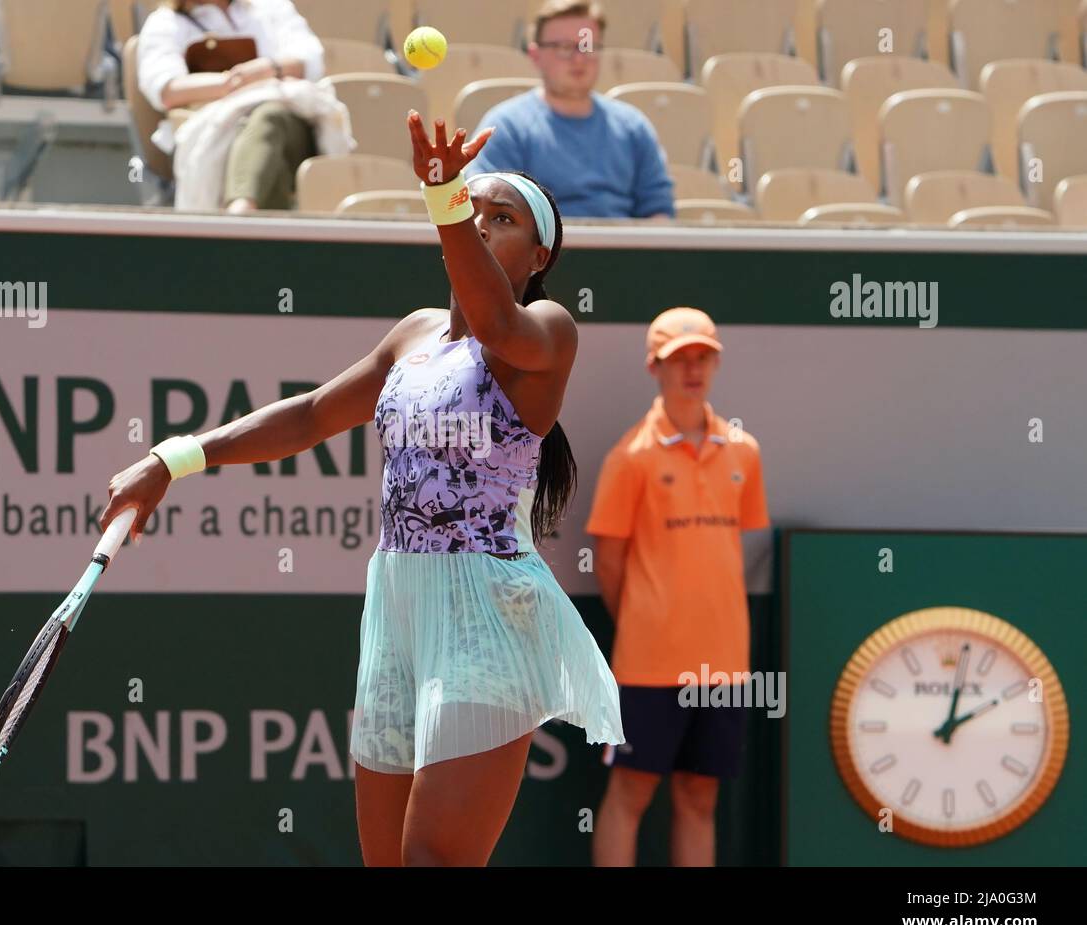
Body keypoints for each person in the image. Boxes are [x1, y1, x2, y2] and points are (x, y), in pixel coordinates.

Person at [99, 111, 624, 867]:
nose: (477, 226)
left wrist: (443, 195)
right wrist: (175, 459)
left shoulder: (547, 328)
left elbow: (496, 322)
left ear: (538, 254)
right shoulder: (411, 335)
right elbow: (312, 415)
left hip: (489, 616)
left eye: (498, 219)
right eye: (468, 210)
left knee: (435, 861)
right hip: (397, 610)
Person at [585, 308, 769, 866]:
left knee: (699, 796)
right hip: (647, 664)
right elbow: (609, 563)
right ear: (654, 367)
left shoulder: (745, 451)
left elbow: (738, 548)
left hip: (723, 663)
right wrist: (646, 622)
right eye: (679, 359)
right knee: (629, 794)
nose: (693, 369)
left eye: (702, 357)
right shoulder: (629, 458)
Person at [465, 0, 673, 220]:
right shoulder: (507, 127)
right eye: (564, 47)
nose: (579, 58)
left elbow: (658, 212)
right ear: (536, 55)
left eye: (588, 45)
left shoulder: (633, 127)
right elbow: (487, 213)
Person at [137, 0, 325, 212]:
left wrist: (267, 69)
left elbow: (311, 60)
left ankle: (238, 216)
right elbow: (166, 88)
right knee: (274, 168)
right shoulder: (165, 23)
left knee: (269, 117)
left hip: (292, 130)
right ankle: (248, 223)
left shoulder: (272, 7)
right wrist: (232, 83)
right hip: (212, 131)